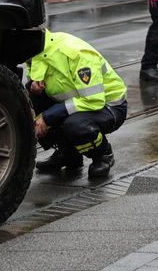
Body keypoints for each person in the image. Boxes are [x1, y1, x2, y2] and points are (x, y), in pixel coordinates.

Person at [27, 30, 128, 178]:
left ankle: (102, 154)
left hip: (109, 106)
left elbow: (93, 101)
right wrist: (34, 88)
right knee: (27, 105)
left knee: (75, 125)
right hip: (79, 103)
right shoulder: (37, 52)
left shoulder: (76, 54)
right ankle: (69, 154)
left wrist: (47, 117)